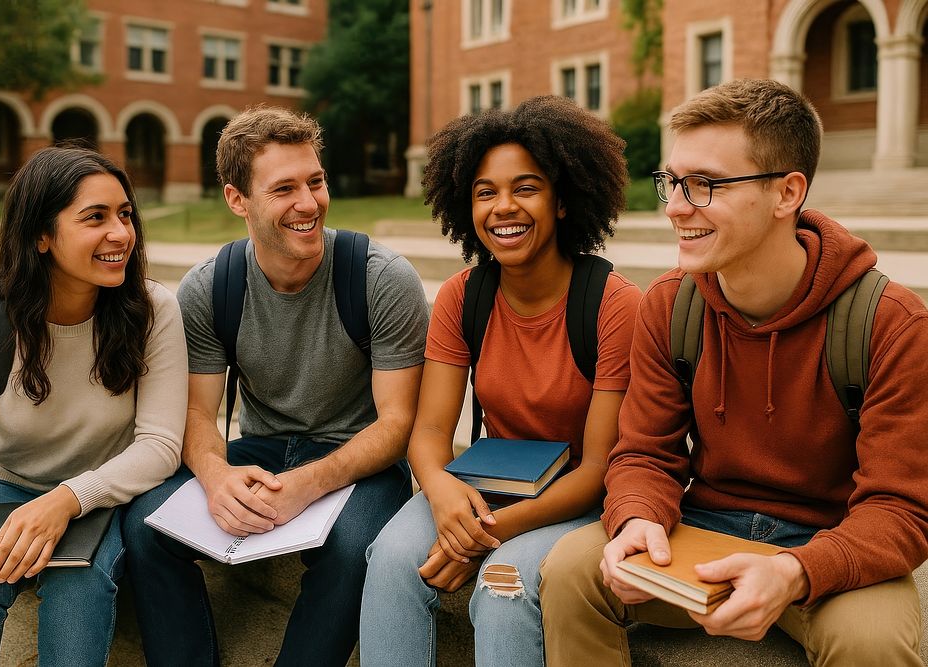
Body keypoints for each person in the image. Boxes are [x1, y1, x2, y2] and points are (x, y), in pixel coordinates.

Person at [539, 79, 928, 665]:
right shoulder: (670, 305)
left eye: (706, 185)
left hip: (828, 541)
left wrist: (796, 572)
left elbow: (901, 509)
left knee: (872, 643)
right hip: (701, 525)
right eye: (672, 182)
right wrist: (638, 515)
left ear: (786, 192)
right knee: (570, 570)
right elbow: (645, 453)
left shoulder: (891, 322)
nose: (674, 206)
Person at [121, 105, 430, 667]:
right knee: (143, 526)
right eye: (284, 189)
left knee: (354, 549)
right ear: (237, 199)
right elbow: (195, 414)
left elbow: (396, 425)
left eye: (315, 182)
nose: (309, 203)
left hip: (359, 460)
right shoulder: (211, 286)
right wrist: (216, 479)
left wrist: (306, 485)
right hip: (260, 450)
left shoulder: (381, 278)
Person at [360, 95, 641, 666]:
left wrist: (485, 535)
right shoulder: (464, 297)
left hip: (576, 502)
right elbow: (430, 432)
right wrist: (443, 498)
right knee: (390, 559)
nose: (503, 207)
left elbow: (595, 471)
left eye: (526, 188)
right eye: (485, 192)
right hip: (487, 483)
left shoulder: (614, 305)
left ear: (562, 201)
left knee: (503, 585)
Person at [0, 145, 187, 666]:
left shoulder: (153, 310)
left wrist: (67, 499)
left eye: (125, 214)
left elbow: (160, 446)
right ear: (41, 236)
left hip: (102, 494)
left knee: (80, 593)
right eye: (95, 218)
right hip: (8, 486)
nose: (121, 234)